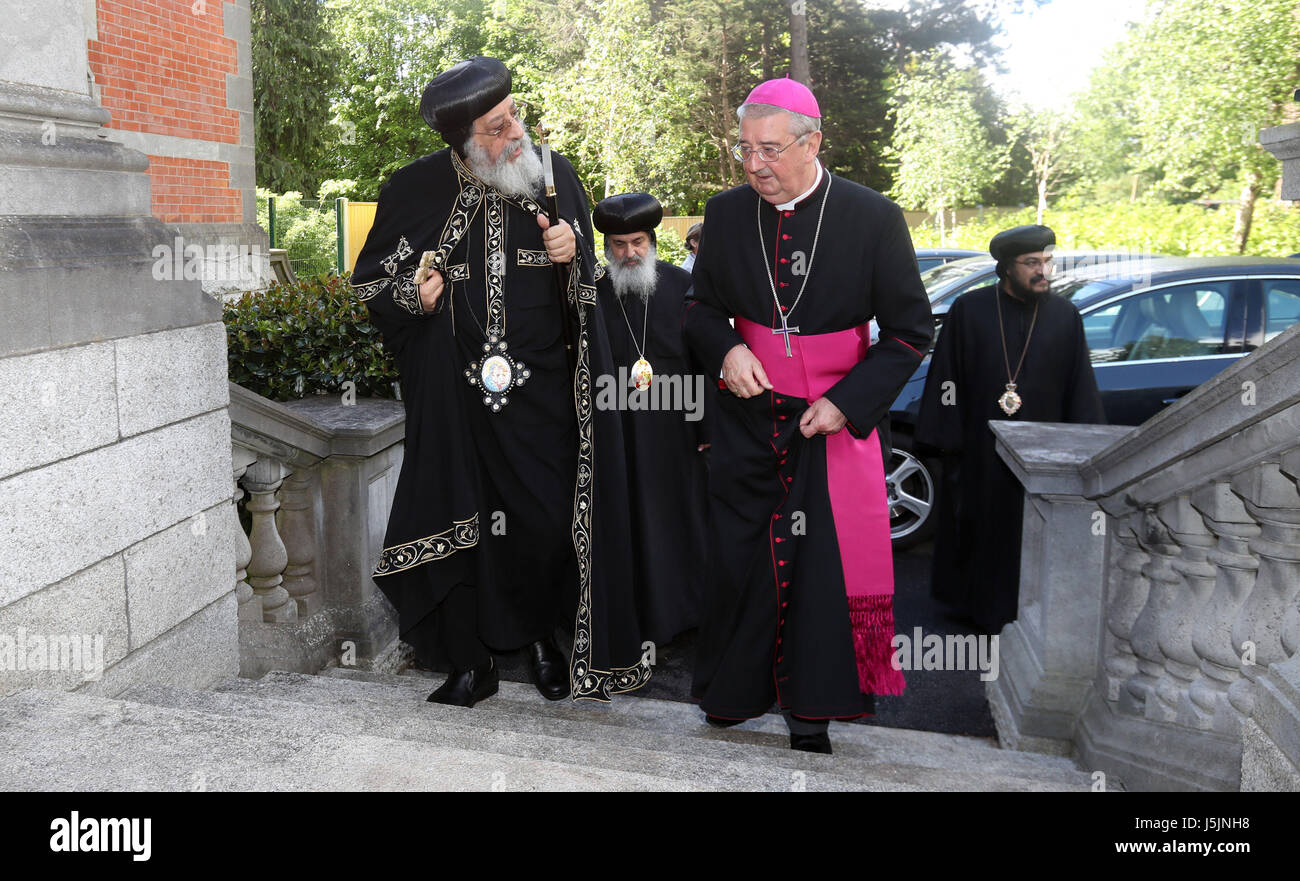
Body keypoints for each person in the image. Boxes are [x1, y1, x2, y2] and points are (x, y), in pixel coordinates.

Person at [349, 56, 650, 707]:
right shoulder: (415, 188)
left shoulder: (552, 173)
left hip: (542, 400)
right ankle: (469, 661)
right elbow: (372, 279)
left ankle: (542, 641)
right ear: (463, 141)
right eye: (497, 125)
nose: (515, 131)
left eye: (513, 114)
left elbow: (592, 281)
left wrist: (574, 255)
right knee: (461, 531)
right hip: (456, 402)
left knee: (541, 529)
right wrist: (414, 293)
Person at [682, 76, 933, 753]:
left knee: (820, 568)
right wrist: (729, 348)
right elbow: (700, 310)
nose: (755, 164)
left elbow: (912, 331)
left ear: (812, 141)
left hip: (831, 421)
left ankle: (811, 711)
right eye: (744, 150)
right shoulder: (727, 213)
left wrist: (846, 401)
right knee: (741, 561)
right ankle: (733, 693)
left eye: (770, 149)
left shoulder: (872, 217)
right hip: (745, 417)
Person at [915, 224, 1105, 634]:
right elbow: (947, 377)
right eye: (1032, 263)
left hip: (1043, 448)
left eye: (1047, 261)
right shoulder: (970, 309)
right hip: (981, 447)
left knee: (1030, 529)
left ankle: (1027, 609)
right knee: (981, 527)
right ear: (1006, 267)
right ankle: (976, 607)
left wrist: (1083, 442)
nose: (1044, 271)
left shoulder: (1064, 315)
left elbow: (1080, 384)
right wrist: (947, 437)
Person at [592, 192, 707, 647]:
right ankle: (633, 616)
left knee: (678, 520)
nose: (629, 253)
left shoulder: (683, 287)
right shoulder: (594, 294)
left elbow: (705, 360)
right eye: (618, 244)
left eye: (637, 242)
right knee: (627, 522)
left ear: (652, 240)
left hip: (676, 429)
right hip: (615, 428)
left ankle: (684, 616)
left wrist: (706, 431)